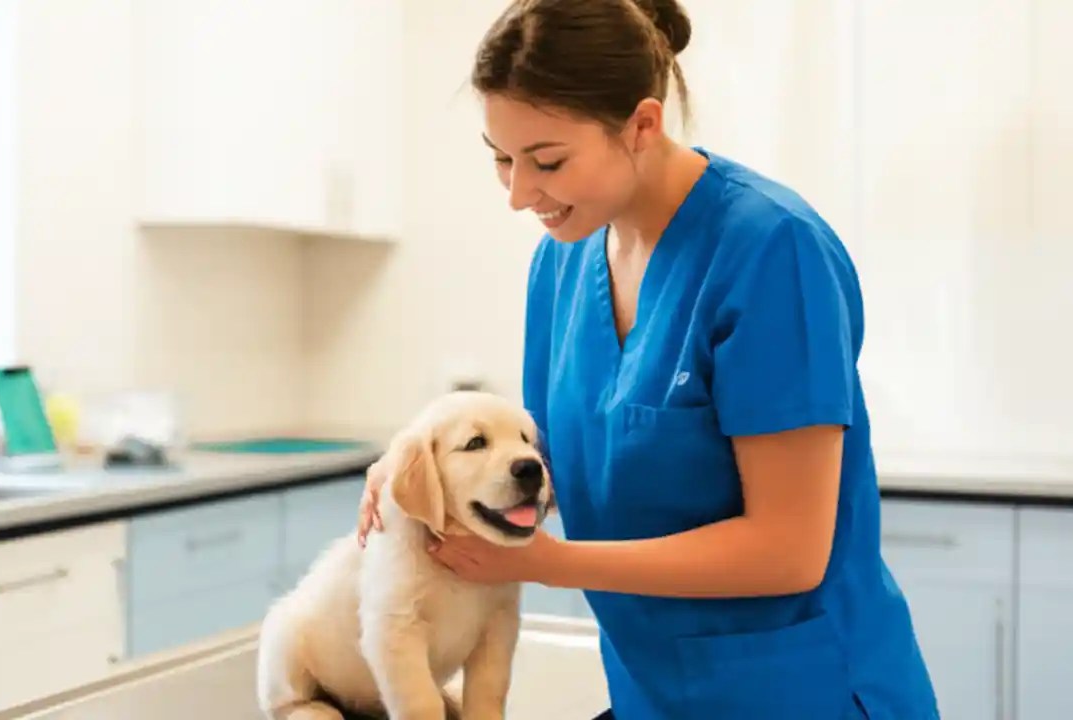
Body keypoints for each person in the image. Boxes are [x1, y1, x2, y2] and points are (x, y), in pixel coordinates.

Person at [358, 0, 940, 717]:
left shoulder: (770, 251)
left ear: (641, 126)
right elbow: (558, 469)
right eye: (501, 159)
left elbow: (789, 548)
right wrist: (423, 469)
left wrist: (552, 565)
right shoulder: (560, 264)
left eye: (546, 162)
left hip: (799, 691)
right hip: (653, 693)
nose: (516, 195)